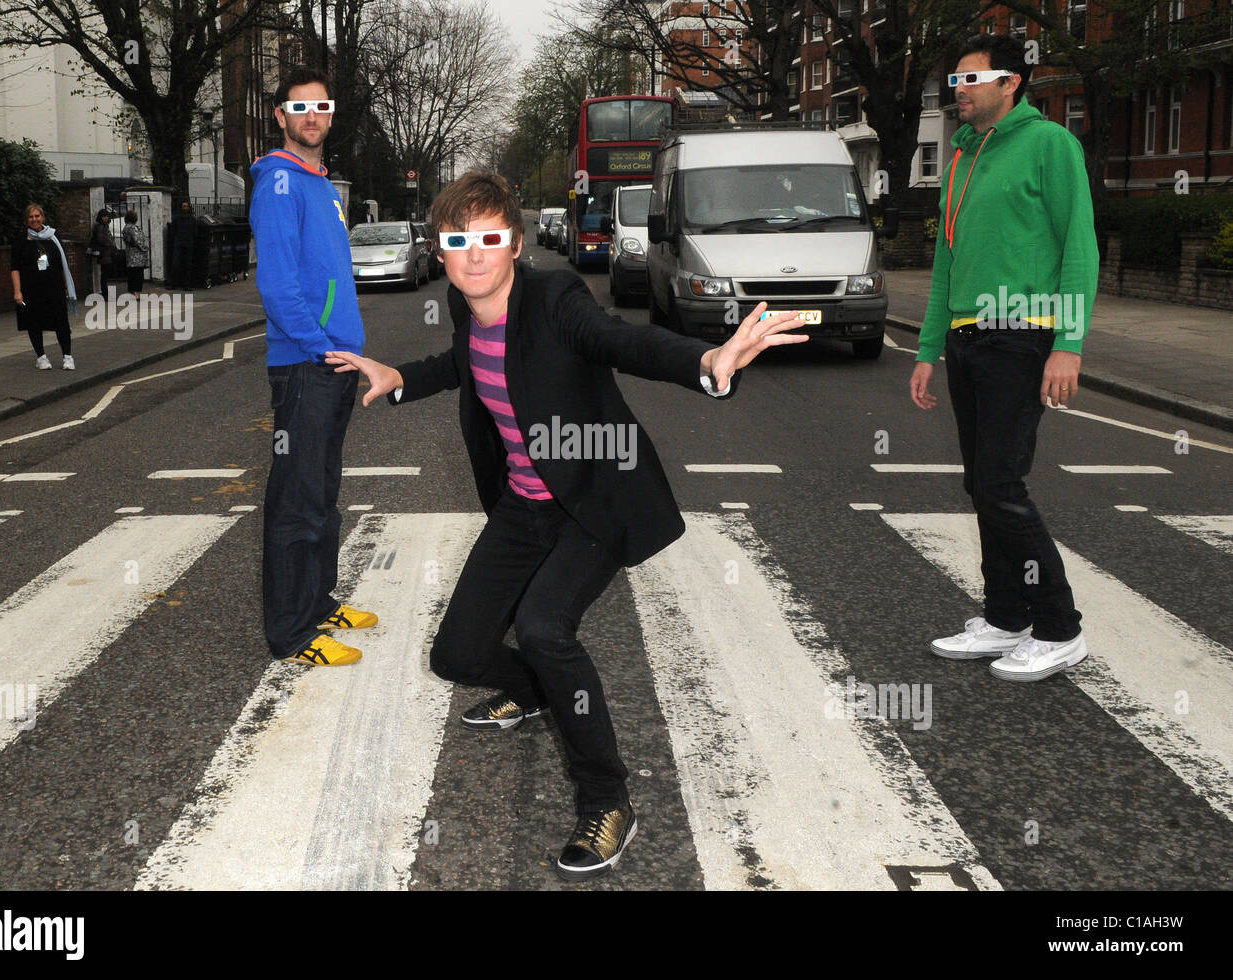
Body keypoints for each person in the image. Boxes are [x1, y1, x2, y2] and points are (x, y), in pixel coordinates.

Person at [325, 172, 805, 881]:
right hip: (524, 504)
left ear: (516, 245)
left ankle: (608, 800)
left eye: (491, 239)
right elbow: (461, 365)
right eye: (459, 242)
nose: (476, 255)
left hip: (593, 499)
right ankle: (534, 688)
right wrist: (400, 379)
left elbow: (621, 342)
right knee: (456, 656)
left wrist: (708, 362)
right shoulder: (467, 309)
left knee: (547, 628)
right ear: (442, 250)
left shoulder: (555, 298)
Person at [909, 32, 1098, 683]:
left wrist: (1068, 344)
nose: (957, 92)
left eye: (970, 80)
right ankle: (1005, 616)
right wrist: (928, 348)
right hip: (965, 340)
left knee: (1000, 483)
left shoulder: (1051, 145)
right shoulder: (960, 158)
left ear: (1010, 83)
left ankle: (1059, 627)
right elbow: (947, 260)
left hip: (1021, 333)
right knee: (981, 484)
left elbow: (1079, 247)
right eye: (954, 83)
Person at [250, 66, 376, 668]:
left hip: (334, 361)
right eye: (298, 108)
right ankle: (293, 632)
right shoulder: (279, 182)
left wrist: (342, 351)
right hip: (306, 363)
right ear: (281, 117)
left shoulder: (319, 184)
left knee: (323, 493)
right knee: (297, 500)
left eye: (321, 107)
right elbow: (276, 284)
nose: (311, 116)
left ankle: (319, 603)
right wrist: (317, 343)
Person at [12, 203, 77, 370]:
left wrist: (68, 288)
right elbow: (15, 268)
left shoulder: (53, 236)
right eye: (31, 217)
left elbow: (62, 264)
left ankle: (67, 357)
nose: (34, 219)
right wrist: (17, 291)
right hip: (31, 289)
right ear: (27, 220)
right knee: (34, 323)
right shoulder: (21, 239)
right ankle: (41, 357)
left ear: (43, 217)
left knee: (61, 322)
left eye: (37, 216)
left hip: (54, 287)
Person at [169, 200, 197, 289]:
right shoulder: (176, 219)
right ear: (181, 208)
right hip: (179, 243)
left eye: (186, 206)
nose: (185, 208)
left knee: (187, 265)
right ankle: (174, 284)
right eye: (183, 206)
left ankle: (187, 285)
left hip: (188, 244)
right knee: (175, 264)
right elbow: (173, 231)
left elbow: (195, 232)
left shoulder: (192, 219)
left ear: (189, 208)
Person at [122, 210, 148, 297]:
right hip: (137, 255)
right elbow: (138, 240)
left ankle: (132, 291)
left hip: (130, 254)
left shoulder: (126, 228)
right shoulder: (133, 228)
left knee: (131, 275)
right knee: (138, 275)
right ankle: (136, 293)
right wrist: (144, 248)